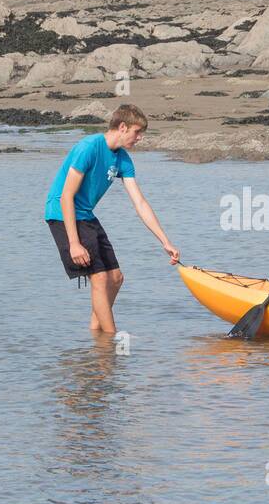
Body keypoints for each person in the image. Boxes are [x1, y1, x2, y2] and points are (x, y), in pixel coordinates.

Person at [45, 104, 180, 334]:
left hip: (86, 215)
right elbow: (66, 196)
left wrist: (164, 241)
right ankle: (111, 341)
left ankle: (97, 337)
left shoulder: (122, 159)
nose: (140, 138)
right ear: (123, 127)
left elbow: (140, 203)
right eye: (137, 132)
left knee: (115, 278)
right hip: (62, 214)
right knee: (99, 279)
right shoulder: (88, 147)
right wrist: (74, 243)